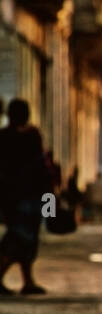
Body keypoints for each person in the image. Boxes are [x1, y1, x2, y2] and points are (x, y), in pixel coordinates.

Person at [0, 99, 53, 295]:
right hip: (29, 196)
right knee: (20, 240)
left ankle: (28, 281)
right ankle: (20, 278)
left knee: (23, 240)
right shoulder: (32, 136)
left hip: (12, 198)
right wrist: (51, 204)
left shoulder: (4, 137)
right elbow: (43, 169)